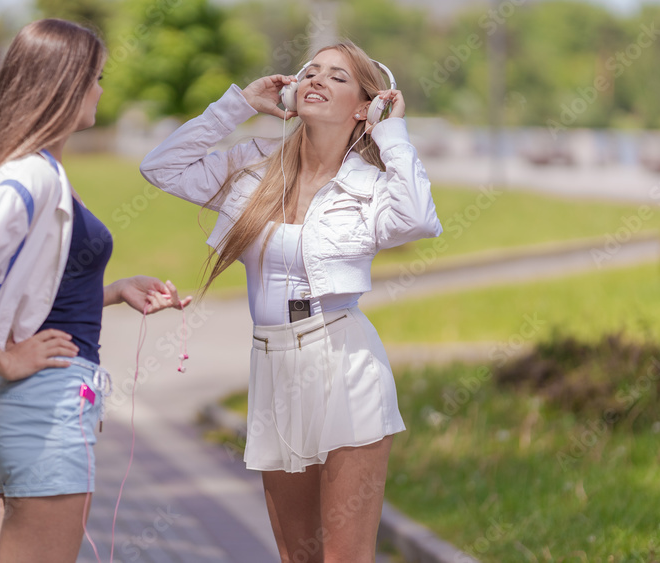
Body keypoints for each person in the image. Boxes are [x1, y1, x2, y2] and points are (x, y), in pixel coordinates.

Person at [140, 40, 442, 562]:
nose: (317, 80)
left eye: (338, 77)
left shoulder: (370, 187)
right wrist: (235, 106)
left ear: (363, 106)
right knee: (296, 556)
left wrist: (390, 132)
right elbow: (162, 167)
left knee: (344, 557)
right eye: (311, 71)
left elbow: (419, 219)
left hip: (345, 362)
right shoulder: (253, 168)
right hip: (273, 363)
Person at [0, 19, 190, 563]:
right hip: (41, 405)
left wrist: (110, 292)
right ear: (64, 83)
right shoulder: (31, 177)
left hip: (51, 403)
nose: (101, 90)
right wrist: (1, 356)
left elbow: (36, 282)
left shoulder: (47, 171)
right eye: (96, 77)